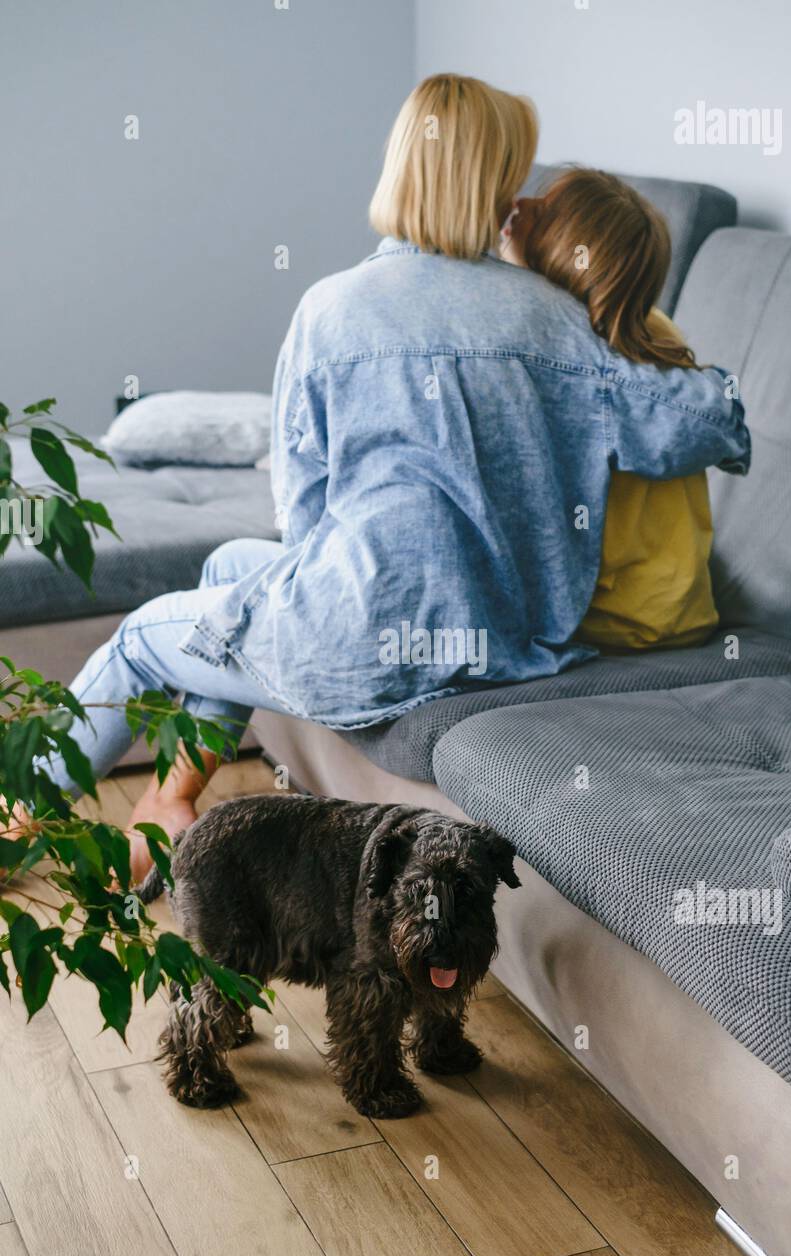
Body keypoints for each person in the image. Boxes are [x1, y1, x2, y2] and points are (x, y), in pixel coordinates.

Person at [11, 76, 749, 879]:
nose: (518, 201)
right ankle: (167, 803)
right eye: (514, 179)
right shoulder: (558, 320)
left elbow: (301, 520)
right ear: (488, 185)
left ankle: (12, 824)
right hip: (504, 645)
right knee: (229, 567)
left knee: (141, 637)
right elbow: (704, 422)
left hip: (365, 652)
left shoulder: (331, 310)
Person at [501, 165, 724, 649]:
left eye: (546, 213)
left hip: (618, 614)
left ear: (567, 256)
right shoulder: (652, 326)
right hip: (681, 603)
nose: (522, 205)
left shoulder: (572, 359)